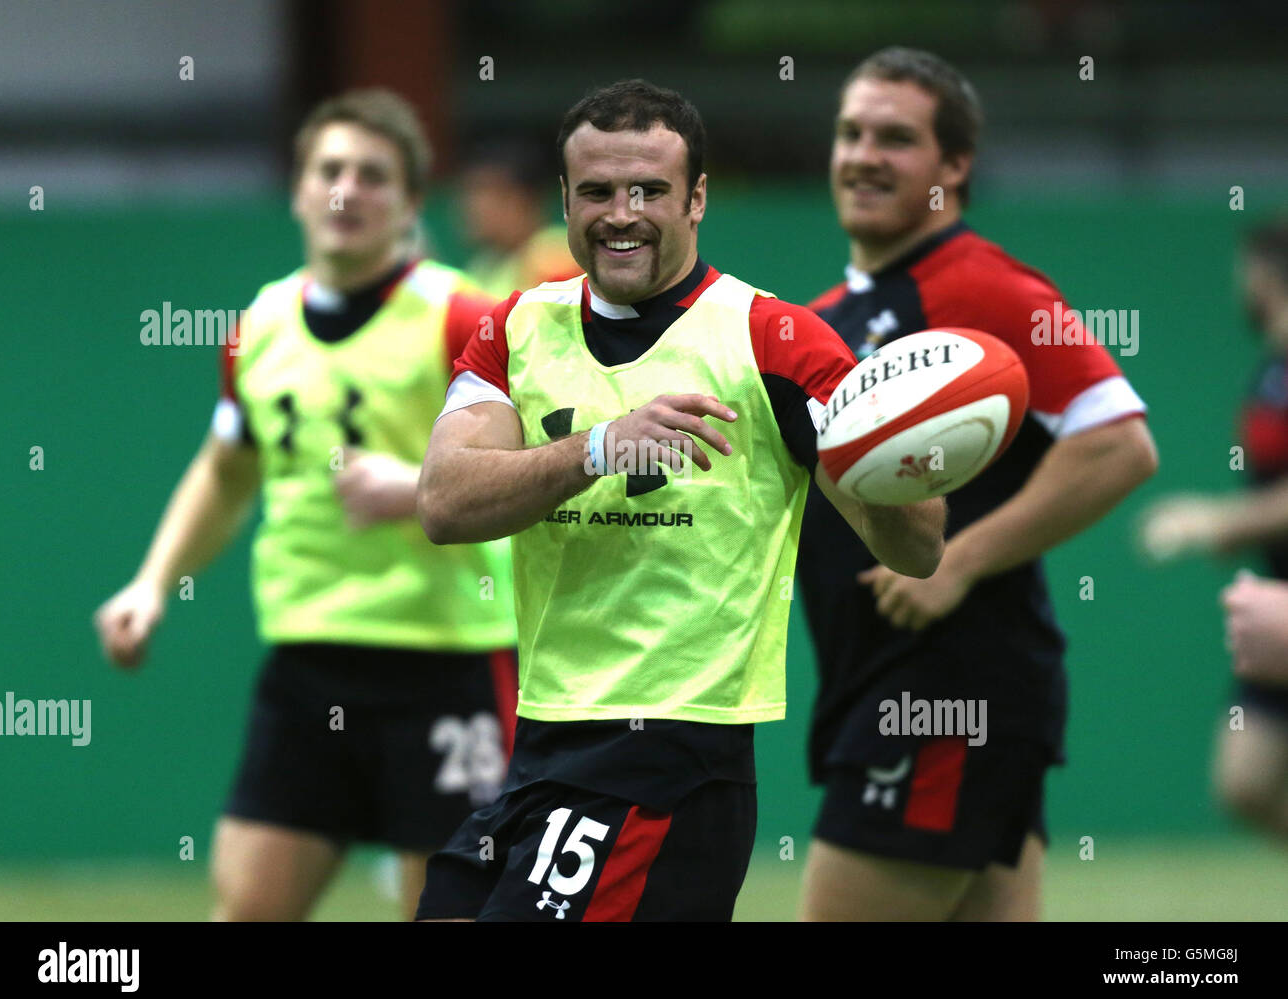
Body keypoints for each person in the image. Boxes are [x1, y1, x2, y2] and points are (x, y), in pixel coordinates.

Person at [413, 78, 946, 922]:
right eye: (596, 191)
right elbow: (445, 503)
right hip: (544, 744)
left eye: (649, 191)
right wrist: (598, 447)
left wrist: (894, 452)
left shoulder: (775, 341)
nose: (620, 213)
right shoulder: (515, 327)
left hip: (673, 757)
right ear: (564, 200)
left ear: (696, 200)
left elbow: (917, 548)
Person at [94, 89, 517, 921]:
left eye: (372, 175)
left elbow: (537, 461)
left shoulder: (461, 317)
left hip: (444, 664)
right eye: (328, 170)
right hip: (307, 662)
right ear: (296, 189)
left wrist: (420, 486)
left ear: (408, 202)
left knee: (456, 911)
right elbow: (226, 471)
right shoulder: (260, 326)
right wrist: (152, 583)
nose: (345, 191)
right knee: (247, 910)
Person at [797, 47, 1158, 921]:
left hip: (943, 696)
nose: (863, 156)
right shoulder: (825, 318)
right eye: (850, 133)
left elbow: (1119, 445)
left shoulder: (981, 285)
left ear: (953, 166)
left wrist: (958, 559)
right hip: (886, 682)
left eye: (896, 138)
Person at [1144, 221, 1288, 837]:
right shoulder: (1270, 374)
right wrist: (1239, 533)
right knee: (1245, 783)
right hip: (1275, 608)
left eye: (1245, 269)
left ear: (1265, 274)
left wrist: (1215, 520)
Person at [458, 138, 579, 297]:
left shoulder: (556, 258)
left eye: (484, 192)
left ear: (522, 199)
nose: (472, 206)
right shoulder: (482, 267)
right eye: (469, 193)